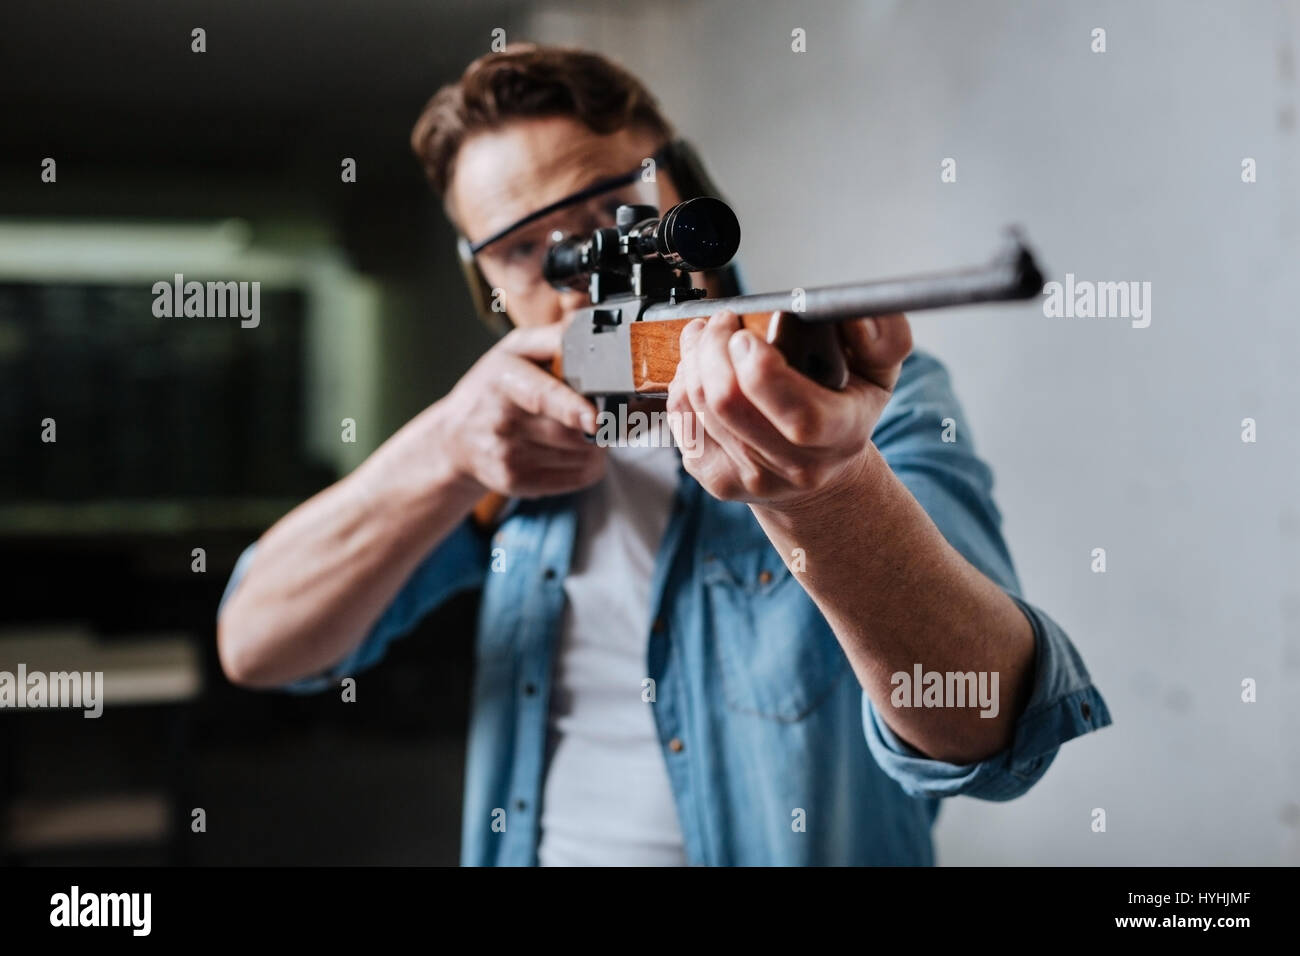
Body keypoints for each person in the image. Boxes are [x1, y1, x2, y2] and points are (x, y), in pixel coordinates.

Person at [217, 43, 1111, 866]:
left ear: (687, 193)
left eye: (618, 210)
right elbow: (259, 646)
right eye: (525, 250)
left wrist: (829, 497)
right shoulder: (508, 438)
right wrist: (445, 455)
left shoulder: (853, 393)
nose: (579, 264)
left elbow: (992, 728)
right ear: (484, 287)